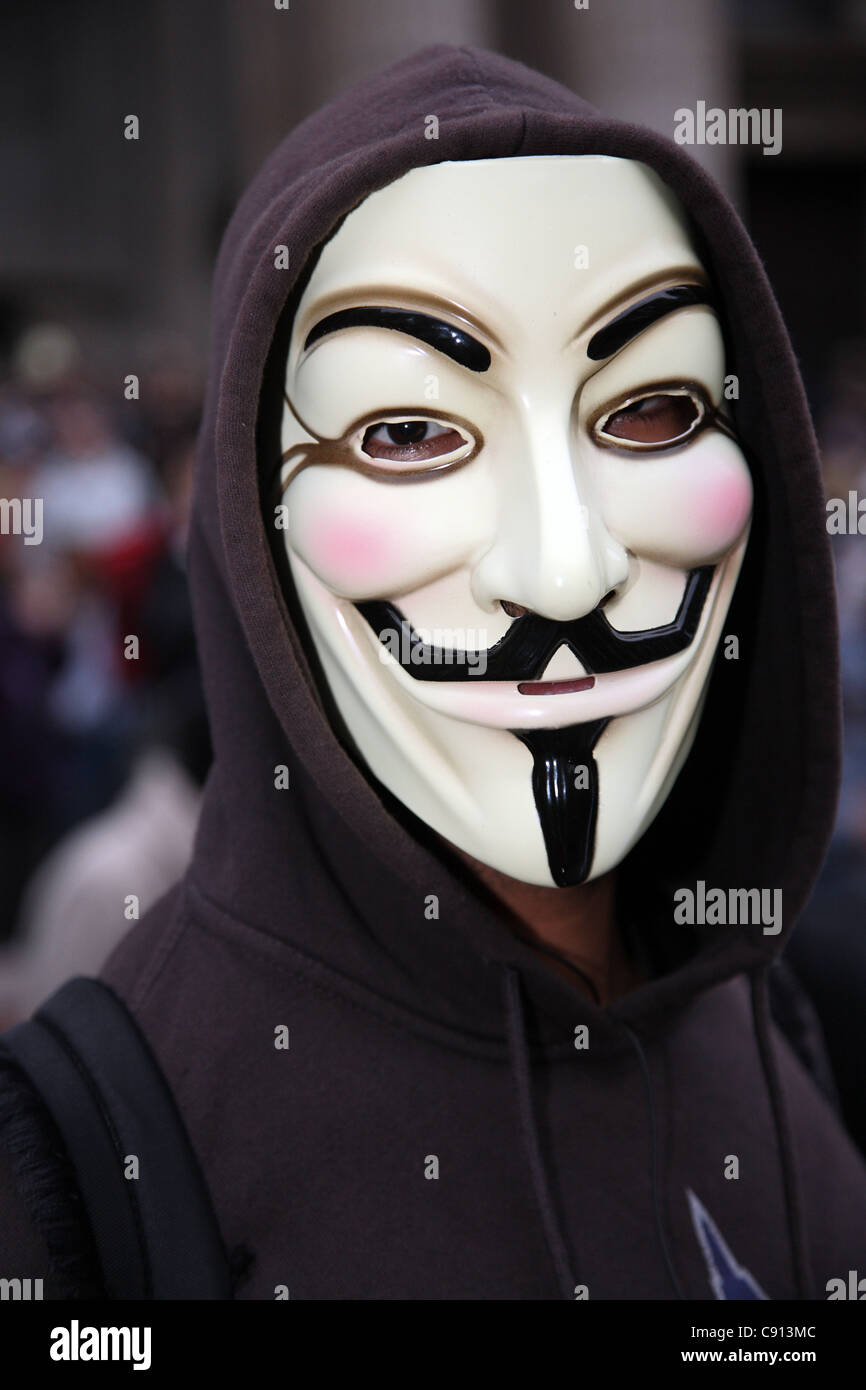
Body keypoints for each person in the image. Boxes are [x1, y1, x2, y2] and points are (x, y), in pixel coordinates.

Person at [1, 44, 864, 1301]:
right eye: (406, 433)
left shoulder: (764, 1022)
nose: (564, 572)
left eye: (648, 412)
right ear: (247, 511)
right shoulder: (94, 1171)